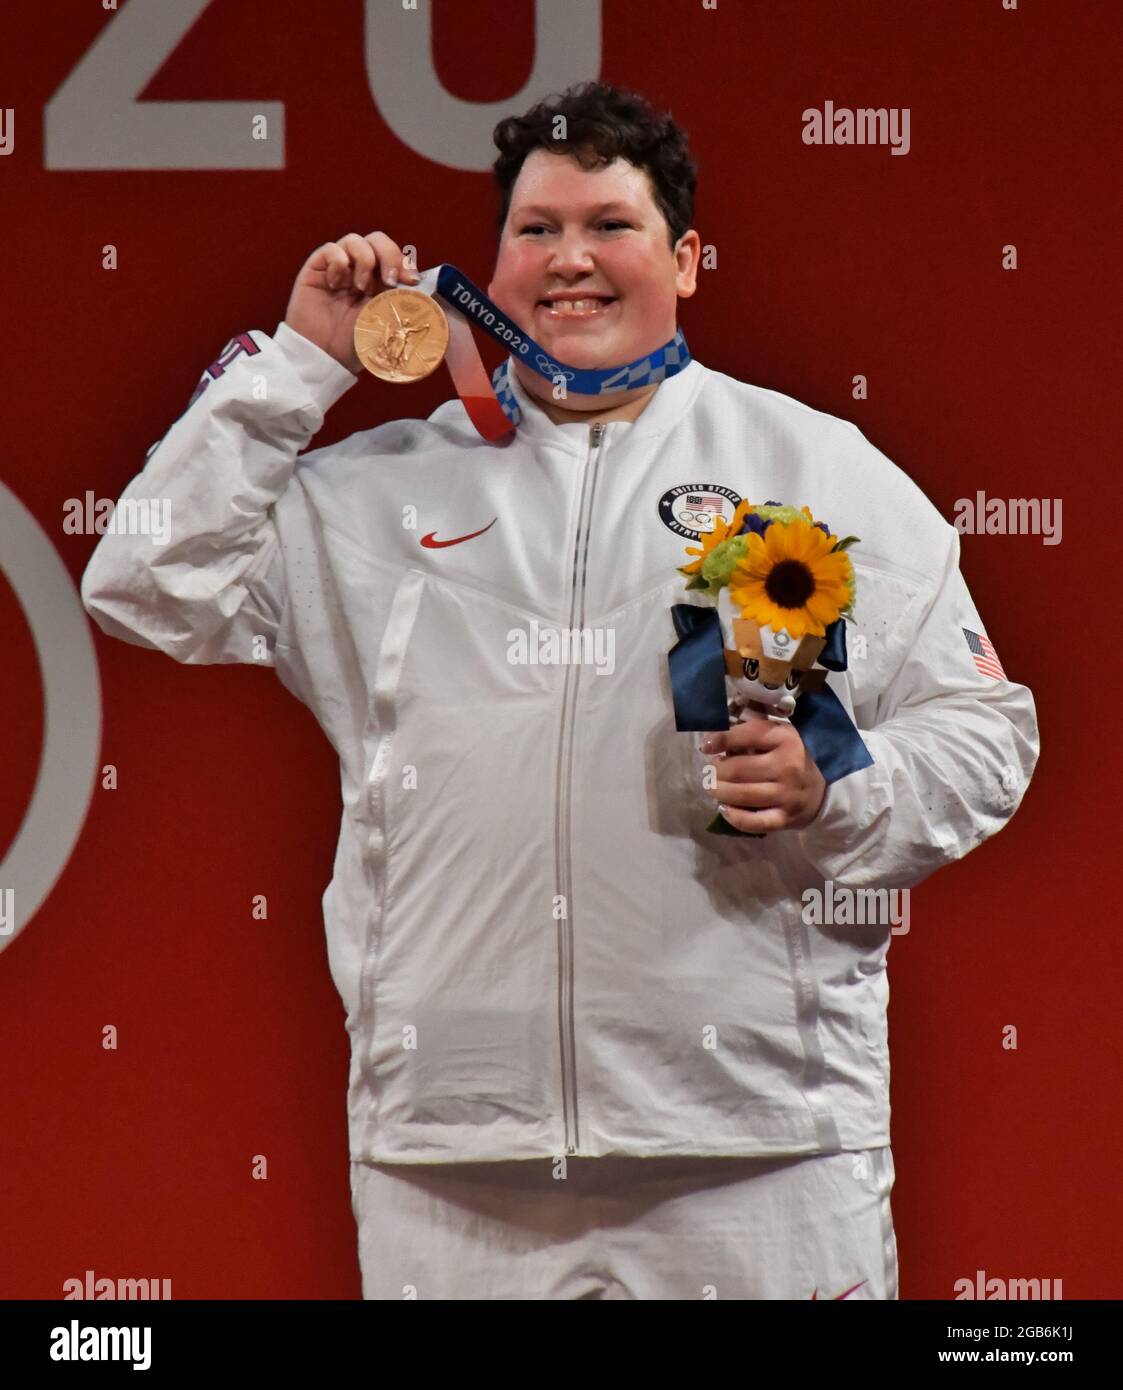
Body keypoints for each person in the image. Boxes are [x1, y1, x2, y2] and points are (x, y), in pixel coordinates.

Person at [79, 80, 1040, 1299]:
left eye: (610, 225)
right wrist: (298, 369)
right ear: (492, 263)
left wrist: (836, 782)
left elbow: (986, 733)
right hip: (452, 1156)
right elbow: (144, 578)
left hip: (761, 1147)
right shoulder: (376, 492)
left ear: (687, 259)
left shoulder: (813, 469)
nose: (568, 259)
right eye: (535, 230)